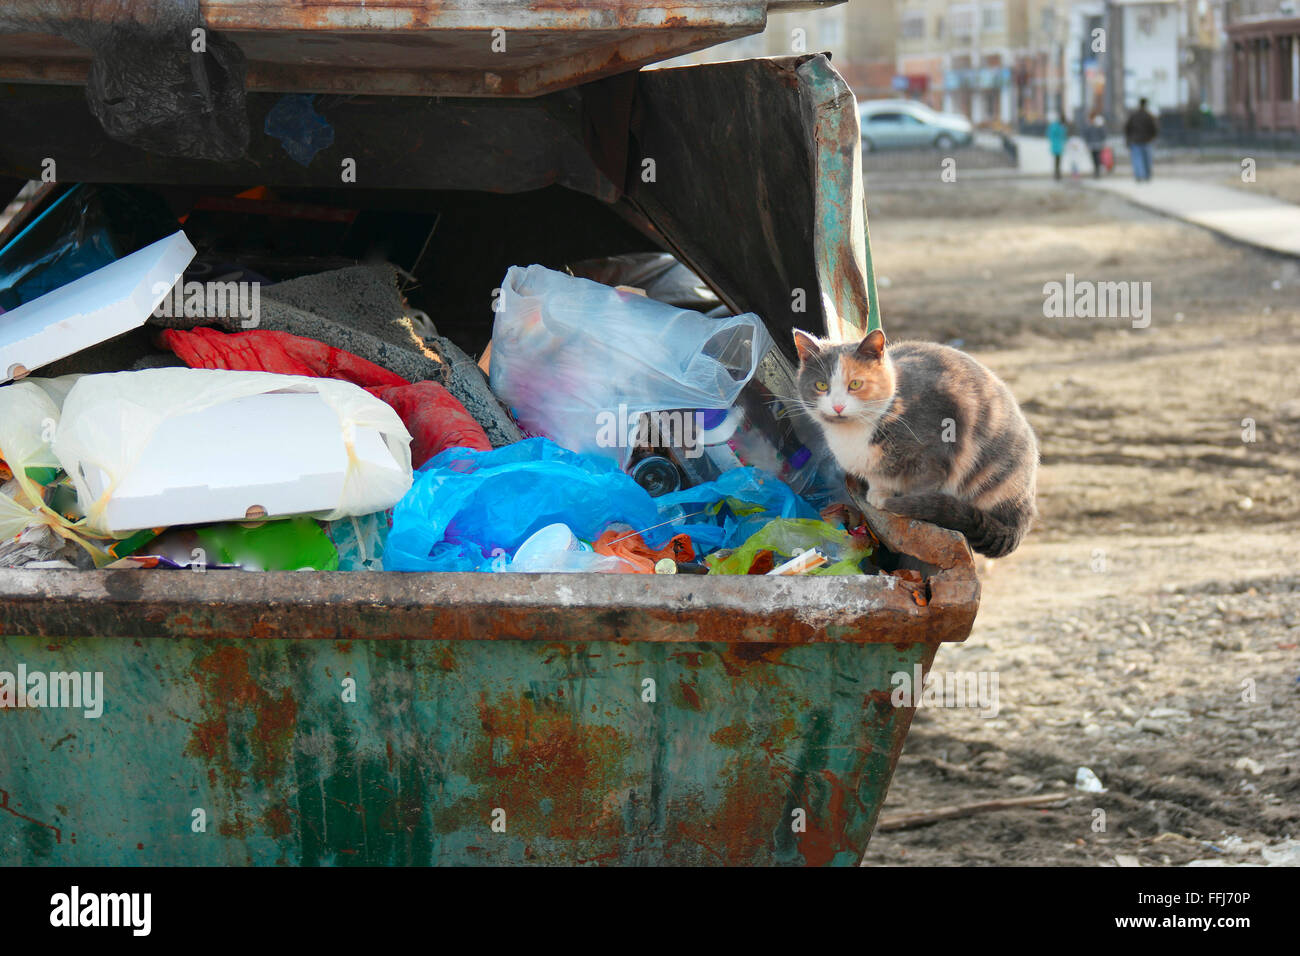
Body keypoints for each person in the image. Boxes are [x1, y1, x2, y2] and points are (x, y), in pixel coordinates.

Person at [1124, 97, 1159, 182]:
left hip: (1135, 140)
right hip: (1147, 140)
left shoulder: (1134, 115)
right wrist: (1152, 137)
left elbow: (1127, 128)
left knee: (1137, 159)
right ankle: (1147, 175)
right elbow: (1154, 128)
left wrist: (1128, 139)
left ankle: (1139, 176)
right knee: (1147, 159)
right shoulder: (1149, 116)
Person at [1083, 112, 1107, 178]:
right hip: (1093, 145)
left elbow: (1103, 134)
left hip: (1097, 145)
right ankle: (1096, 171)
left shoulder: (1097, 126)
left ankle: (1097, 171)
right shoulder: (1090, 126)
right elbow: (1086, 135)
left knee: (1097, 158)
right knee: (1095, 158)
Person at [1047, 115, 1067, 181]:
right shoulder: (1060, 127)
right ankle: (1057, 173)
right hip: (1058, 145)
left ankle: (1057, 173)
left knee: (1057, 160)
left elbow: (1049, 134)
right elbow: (1063, 136)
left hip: (1056, 145)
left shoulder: (1054, 126)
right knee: (1058, 160)